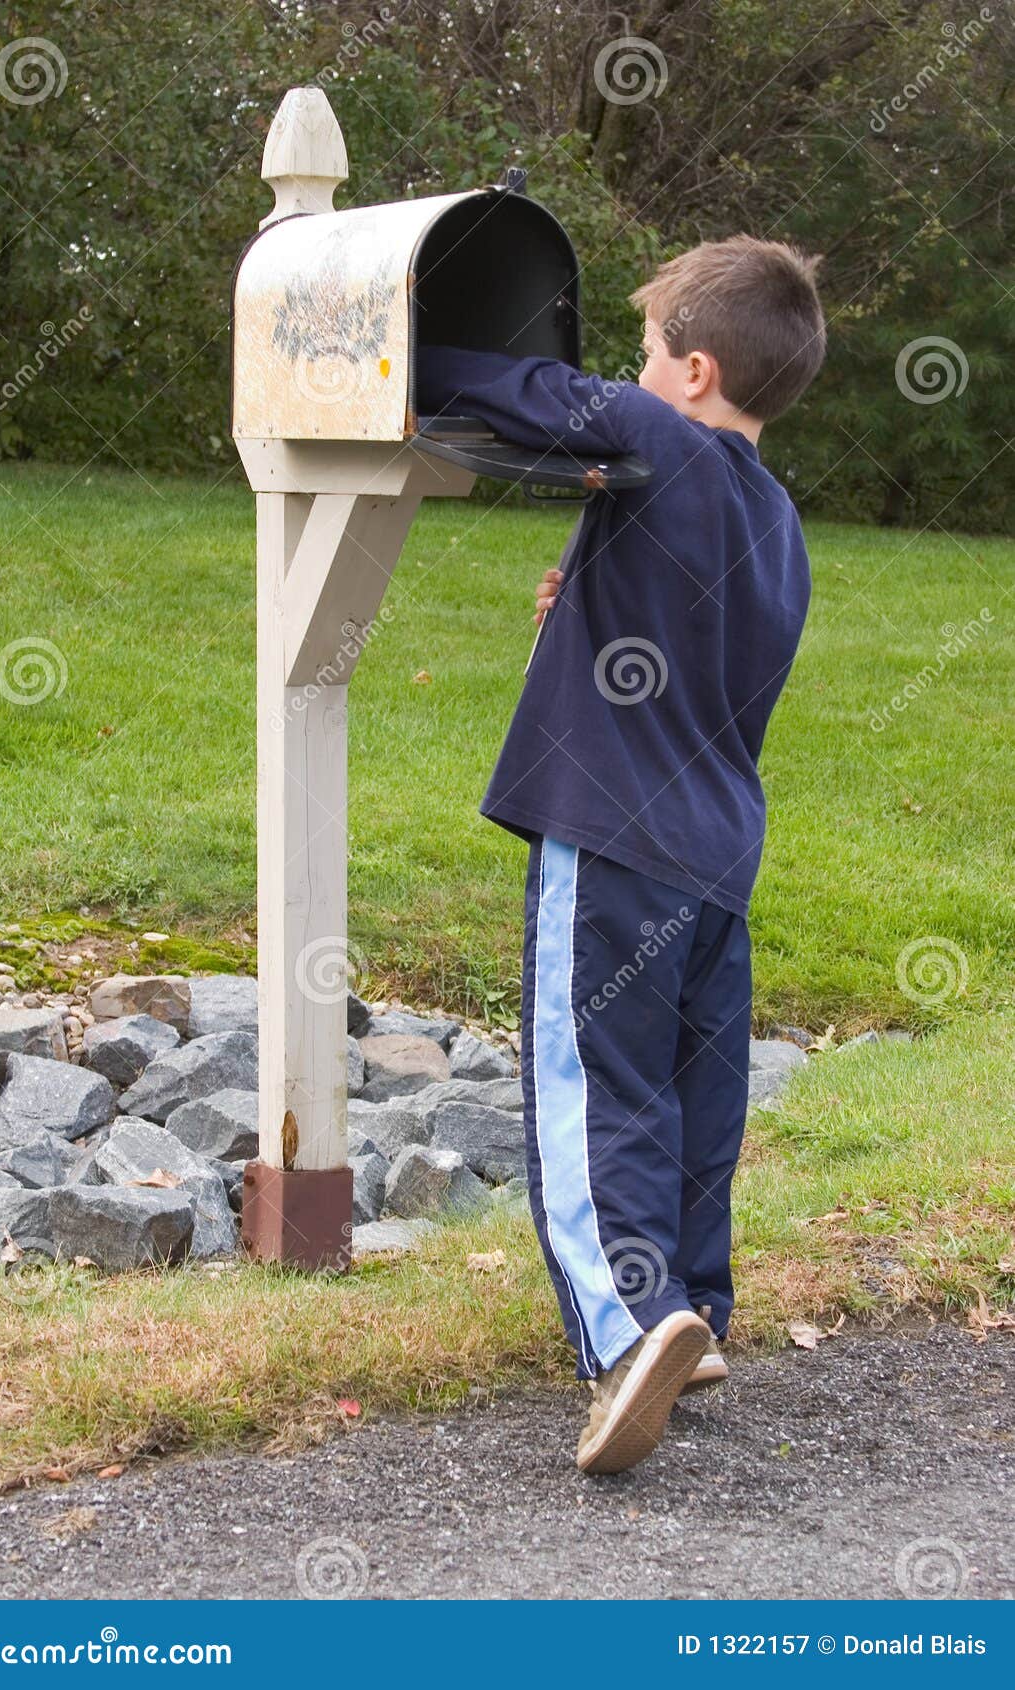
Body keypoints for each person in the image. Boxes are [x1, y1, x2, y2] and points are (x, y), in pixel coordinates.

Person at [416, 235, 826, 1475]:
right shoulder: (775, 519)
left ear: (693, 372)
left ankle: (624, 1332)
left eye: (645, 356)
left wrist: (369, 335)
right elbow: (678, 640)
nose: (628, 374)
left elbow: (523, 396)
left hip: (612, 840)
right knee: (694, 1100)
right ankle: (691, 1307)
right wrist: (586, 609)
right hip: (714, 861)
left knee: (593, 1092)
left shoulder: (660, 441)